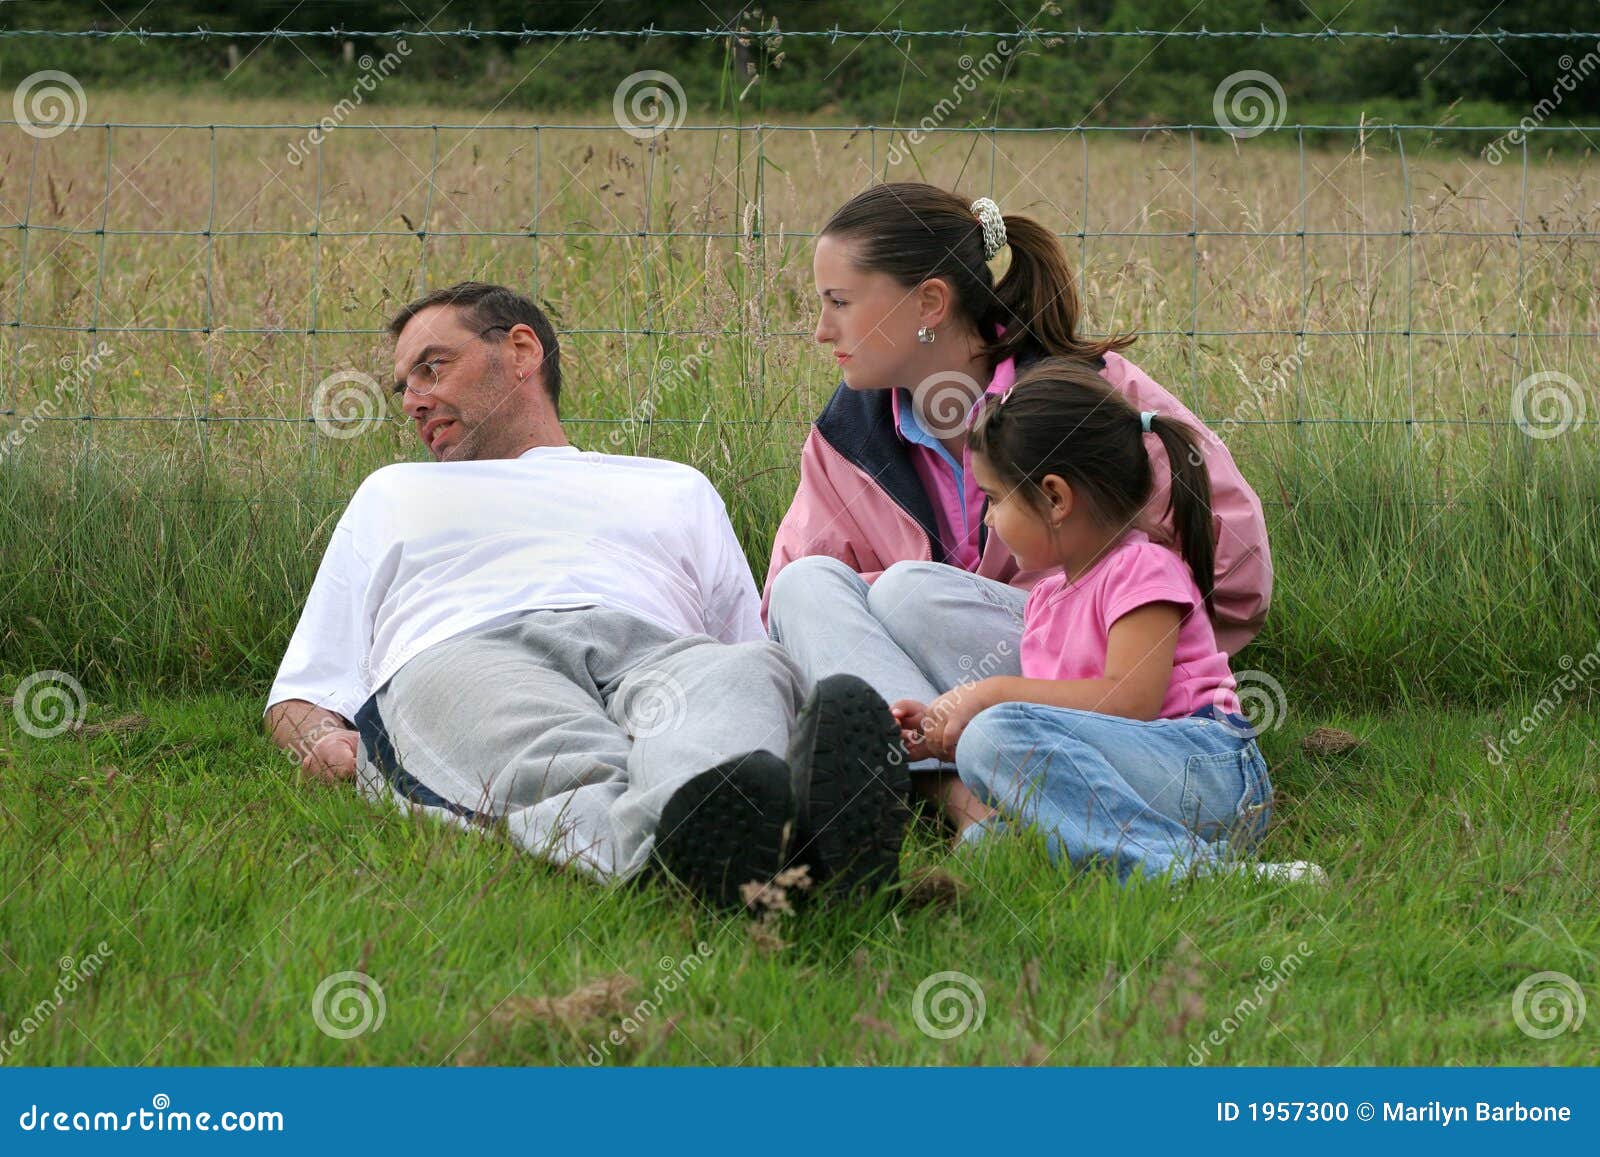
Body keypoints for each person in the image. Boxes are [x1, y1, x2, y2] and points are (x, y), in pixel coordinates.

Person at [264, 281, 909, 908]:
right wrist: (319, 736)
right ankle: (735, 854)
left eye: (433, 368)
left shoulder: (673, 485)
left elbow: (742, 644)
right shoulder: (393, 491)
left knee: (736, 676)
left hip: (657, 650)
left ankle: (735, 830)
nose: (412, 400)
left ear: (521, 350)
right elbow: (305, 690)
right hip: (470, 647)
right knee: (563, 763)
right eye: (404, 386)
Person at [764, 182, 1273, 822]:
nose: (820, 330)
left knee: (907, 593)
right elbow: (790, 606)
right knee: (804, 587)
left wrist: (1139, 636)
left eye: (839, 301)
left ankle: (967, 785)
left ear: (928, 301)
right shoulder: (845, 437)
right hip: (947, 704)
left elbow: (1235, 564)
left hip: (1083, 683)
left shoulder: (1082, 398)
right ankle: (954, 796)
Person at [890, 358, 1322, 883]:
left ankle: (1207, 874)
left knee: (995, 736)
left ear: (1054, 497)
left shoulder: (1142, 569)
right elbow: (1062, 729)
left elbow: (1130, 702)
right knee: (989, 812)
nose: (988, 520)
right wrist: (945, 731)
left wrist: (991, 695)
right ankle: (1102, 852)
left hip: (1206, 770)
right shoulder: (1049, 597)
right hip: (1140, 776)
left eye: (997, 499)